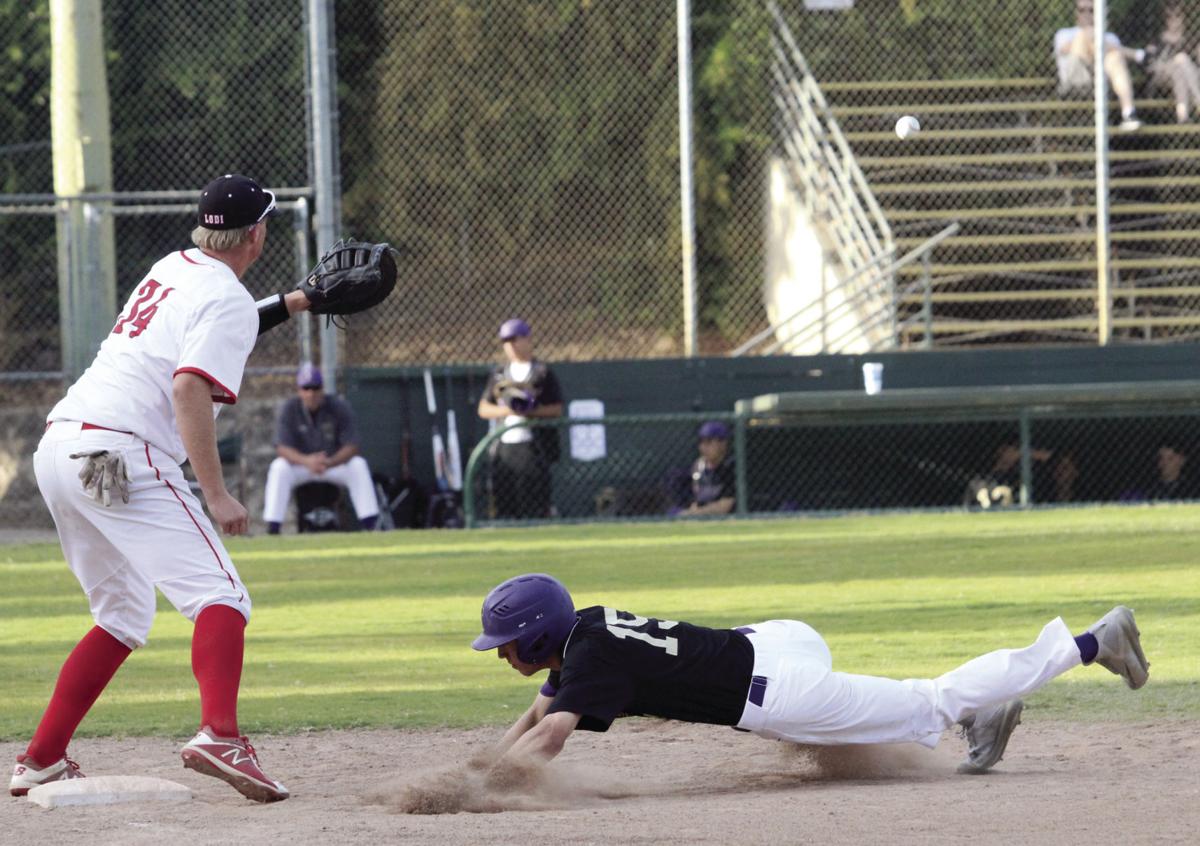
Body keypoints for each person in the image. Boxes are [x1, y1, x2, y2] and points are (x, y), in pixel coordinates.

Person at [10, 174, 305, 802]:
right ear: (256, 234)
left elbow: (213, 324)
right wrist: (216, 493)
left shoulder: (173, 266)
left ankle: (41, 758)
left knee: (121, 615)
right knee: (222, 594)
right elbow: (188, 385)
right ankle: (219, 735)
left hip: (62, 445)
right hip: (120, 451)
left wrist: (296, 301)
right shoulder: (224, 295)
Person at [470, 573, 1149, 781]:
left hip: (783, 692)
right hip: (776, 640)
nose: (502, 654)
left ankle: (1091, 642)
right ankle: (989, 714)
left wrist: (488, 787)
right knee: (898, 715)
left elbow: (552, 738)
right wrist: (485, 767)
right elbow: (539, 713)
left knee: (930, 700)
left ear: (535, 636)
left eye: (505, 643)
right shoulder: (586, 628)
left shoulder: (592, 659)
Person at [261, 363, 380, 534]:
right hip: (302, 466)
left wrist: (330, 462)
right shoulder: (290, 408)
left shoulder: (338, 406)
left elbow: (352, 445)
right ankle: (273, 528)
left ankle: (370, 525)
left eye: (315, 388)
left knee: (358, 465)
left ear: (322, 388)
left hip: (331, 464)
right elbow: (282, 448)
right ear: (299, 390)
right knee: (279, 467)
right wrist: (307, 461)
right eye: (306, 388)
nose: (311, 393)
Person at [477, 318, 564, 519]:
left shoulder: (542, 372)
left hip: (533, 446)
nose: (511, 346)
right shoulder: (499, 373)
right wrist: (509, 410)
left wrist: (529, 410)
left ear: (527, 339)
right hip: (504, 446)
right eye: (507, 342)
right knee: (505, 504)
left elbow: (557, 408)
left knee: (533, 504)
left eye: (515, 339)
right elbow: (483, 408)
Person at [1055, 1, 1146, 131]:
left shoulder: (1111, 37)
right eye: (1082, 10)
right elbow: (1064, 49)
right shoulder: (1064, 33)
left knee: (1115, 57)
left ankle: (1129, 114)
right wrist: (1091, 37)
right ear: (1076, 12)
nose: (1086, 14)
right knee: (1084, 35)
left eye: (1091, 10)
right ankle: (1136, 54)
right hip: (1075, 78)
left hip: (1101, 81)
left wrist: (1097, 39)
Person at [1145, 2, 1200, 123]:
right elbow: (1150, 64)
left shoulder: (1191, 39)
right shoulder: (1158, 38)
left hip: (1186, 77)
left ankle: (1183, 116)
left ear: (1183, 18)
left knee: (1181, 68)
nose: (1174, 21)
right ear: (1166, 20)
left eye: (1177, 17)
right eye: (1170, 17)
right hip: (1162, 76)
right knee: (1181, 60)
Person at [675, 420, 736, 516]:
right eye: (701, 442)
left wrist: (692, 514)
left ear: (723, 444)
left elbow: (725, 506)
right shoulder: (698, 466)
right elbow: (696, 499)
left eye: (709, 443)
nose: (703, 447)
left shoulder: (732, 468)